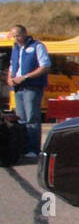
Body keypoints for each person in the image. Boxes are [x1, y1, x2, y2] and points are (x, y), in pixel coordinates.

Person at [7, 25, 50, 158]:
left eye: (18, 35)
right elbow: (12, 65)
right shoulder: (15, 48)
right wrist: (10, 78)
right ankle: (23, 147)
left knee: (32, 117)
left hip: (32, 86)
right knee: (21, 119)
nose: (16, 39)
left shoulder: (37, 46)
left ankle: (33, 149)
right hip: (18, 88)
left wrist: (25, 77)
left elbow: (45, 66)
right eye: (13, 36)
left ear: (25, 33)